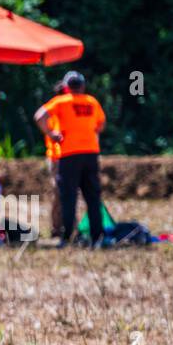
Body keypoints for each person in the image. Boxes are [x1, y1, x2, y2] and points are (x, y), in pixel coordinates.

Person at [35, 71, 106, 247]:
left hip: (69, 153)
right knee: (93, 197)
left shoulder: (61, 101)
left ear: (66, 87)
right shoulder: (92, 101)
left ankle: (67, 237)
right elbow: (101, 123)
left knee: (68, 196)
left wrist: (51, 134)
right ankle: (97, 238)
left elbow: (39, 116)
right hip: (91, 153)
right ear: (82, 86)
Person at [43, 80, 66, 238]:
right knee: (59, 192)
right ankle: (56, 228)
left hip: (67, 157)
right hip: (56, 157)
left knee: (68, 194)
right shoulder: (55, 108)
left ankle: (66, 226)